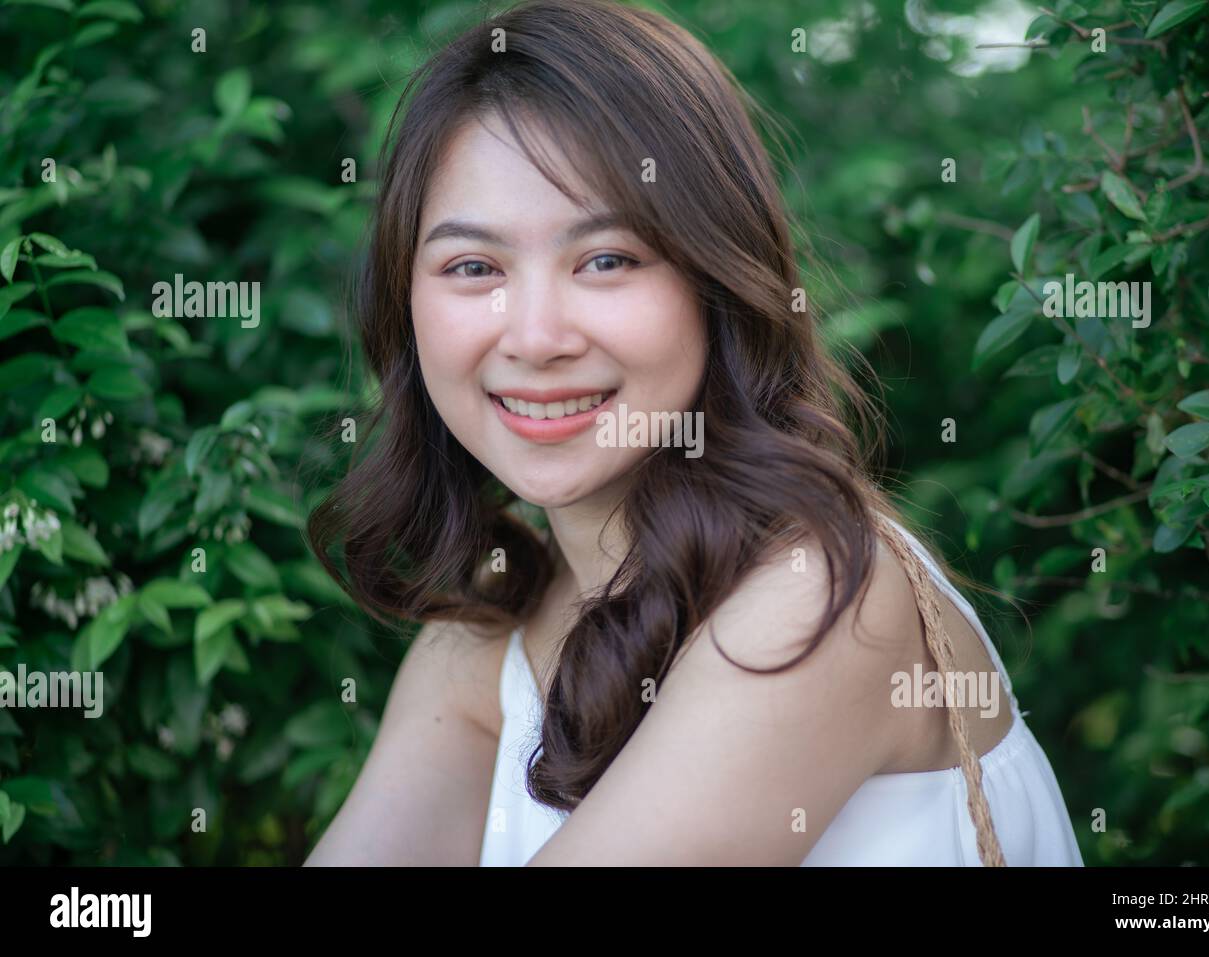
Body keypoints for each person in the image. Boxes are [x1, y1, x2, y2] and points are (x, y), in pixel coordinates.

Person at [304, 0, 1083, 867]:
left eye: (606, 259)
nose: (533, 334)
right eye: (473, 267)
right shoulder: (487, 641)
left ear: (716, 278)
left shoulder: (823, 599)